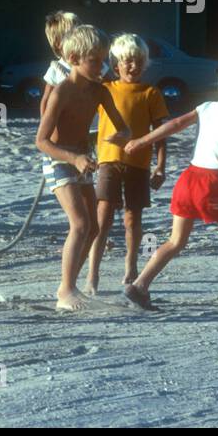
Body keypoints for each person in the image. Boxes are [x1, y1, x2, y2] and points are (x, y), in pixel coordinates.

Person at [123, 58, 218, 314]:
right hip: (212, 183)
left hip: (188, 180)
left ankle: (139, 285)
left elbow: (174, 124)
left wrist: (142, 141)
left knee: (175, 240)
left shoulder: (207, 107)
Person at [35, 25, 130, 310]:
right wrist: (73, 158)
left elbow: (122, 126)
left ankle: (70, 285)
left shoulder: (99, 92)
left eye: (103, 60)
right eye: (95, 60)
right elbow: (41, 141)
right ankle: (66, 290)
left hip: (82, 158)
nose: (102, 67)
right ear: (74, 58)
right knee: (79, 223)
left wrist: (122, 136)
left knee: (93, 226)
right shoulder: (61, 92)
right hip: (59, 159)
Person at [87, 33, 169, 294]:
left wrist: (160, 167)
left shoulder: (150, 93)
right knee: (103, 218)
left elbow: (161, 133)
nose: (133, 66)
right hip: (108, 162)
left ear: (145, 63)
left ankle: (131, 267)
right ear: (116, 64)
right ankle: (92, 274)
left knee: (132, 219)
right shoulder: (105, 89)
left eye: (138, 61)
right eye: (127, 61)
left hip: (139, 165)